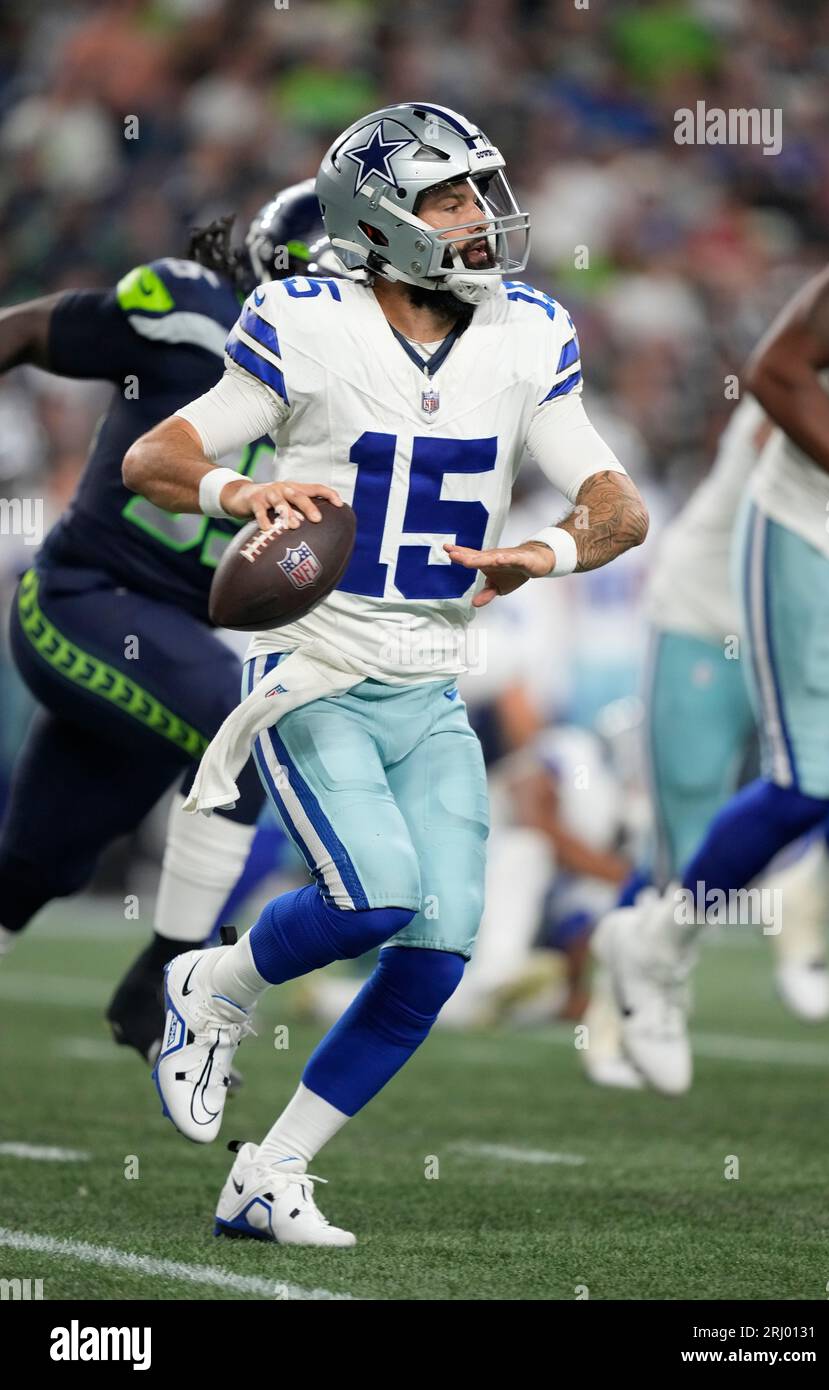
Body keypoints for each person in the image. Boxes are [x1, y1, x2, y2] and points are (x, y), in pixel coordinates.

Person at [125, 102, 649, 1246]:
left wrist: (541, 549)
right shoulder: (304, 320)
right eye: (451, 197)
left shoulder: (524, 331)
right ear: (380, 218)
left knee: (437, 952)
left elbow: (619, 509)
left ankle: (270, 1172)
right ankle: (214, 983)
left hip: (428, 676)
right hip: (315, 660)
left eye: (482, 191)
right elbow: (154, 455)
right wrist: (240, 491)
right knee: (373, 894)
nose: (482, 218)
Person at [0, 182, 335, 1064]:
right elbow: (32, 329)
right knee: (245, 727)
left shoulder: (361, 393)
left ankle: (157, 978)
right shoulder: (188, 317)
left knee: (29, 873)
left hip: (166, 644)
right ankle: (172, 983)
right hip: (79, 600)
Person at [597, 227, 829, 1095]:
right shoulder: (804, 378)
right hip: (730, 599)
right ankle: (632, 987)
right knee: (715, 817)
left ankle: (808, 903)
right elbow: (780, 385)